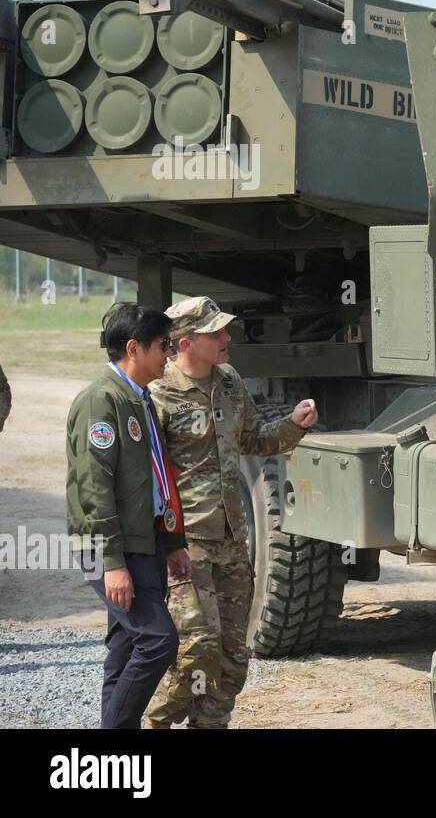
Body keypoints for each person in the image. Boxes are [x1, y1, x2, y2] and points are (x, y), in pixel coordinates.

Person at [145, 296, 317, 729]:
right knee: (194, 653)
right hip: (185, 544)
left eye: (225, 330)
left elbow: (254, 441)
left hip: (231, 541)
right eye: (216, 333)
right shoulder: (157, 394)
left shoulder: (231, 382)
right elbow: (144, 478)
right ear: (185, 342)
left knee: (234, 657)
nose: (227, 338)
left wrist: (294, 424)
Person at [66, 302, 191, 729]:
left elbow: (155, 476)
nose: (169, 354)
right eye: (163, 345)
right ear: (134, 348)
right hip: (113, 549)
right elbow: (94, 488)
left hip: (144, 542)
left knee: (124, 649)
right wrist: (113, 564)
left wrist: (172, 544)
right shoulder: (102, 401)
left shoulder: (137, 399)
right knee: (158, 642)